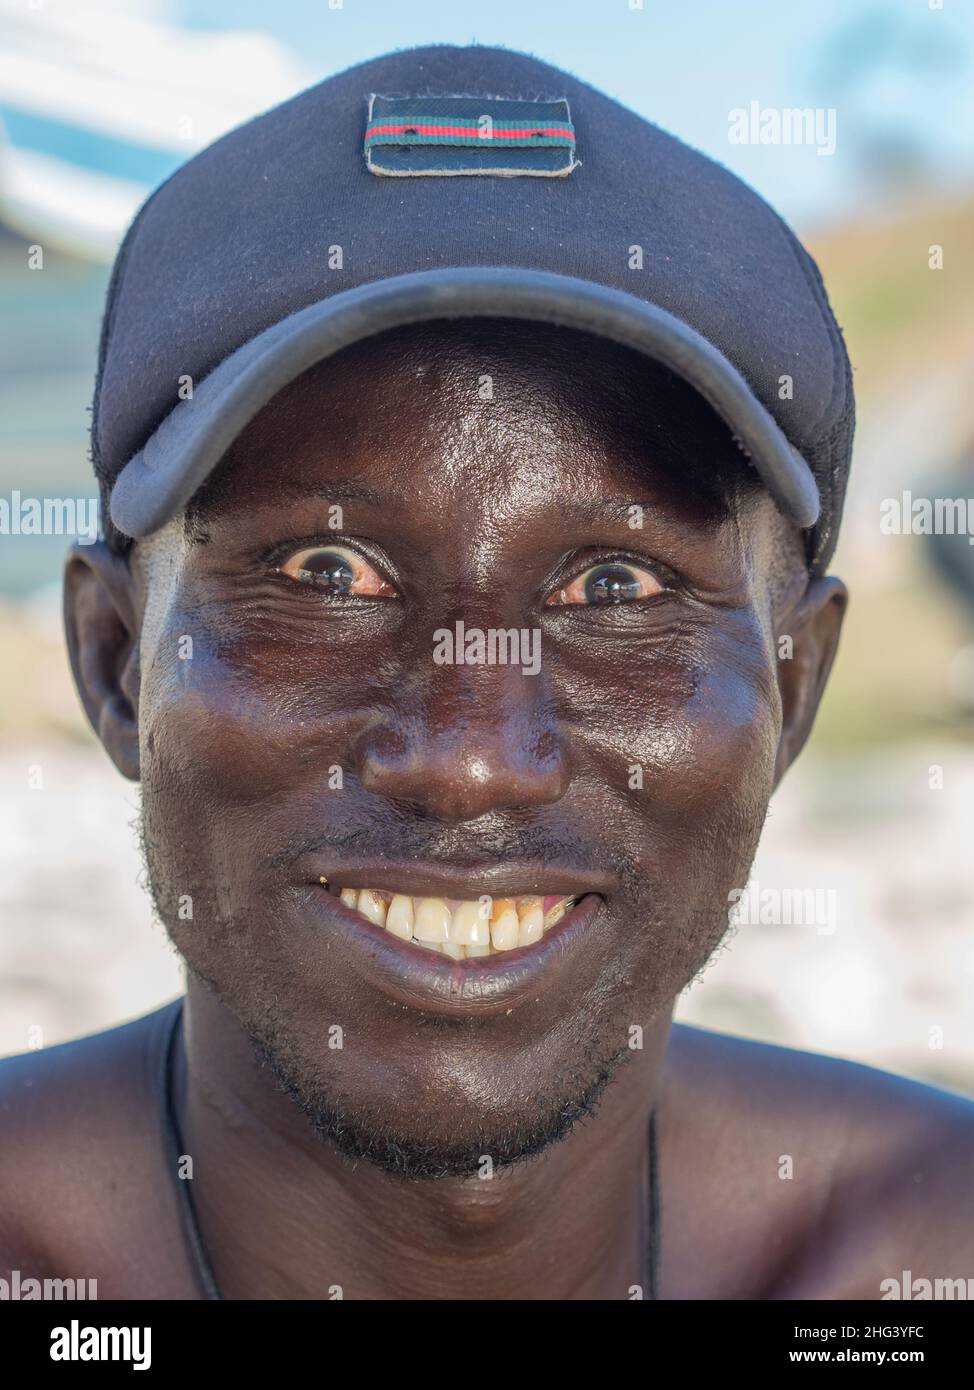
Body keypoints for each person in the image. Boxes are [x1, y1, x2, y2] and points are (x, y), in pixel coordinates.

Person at [2, 45, 971, 1301]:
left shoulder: (920, 1253)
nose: (467, 758)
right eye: (326, 573)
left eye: (613, 590)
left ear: (795, 685)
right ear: (118, 661)